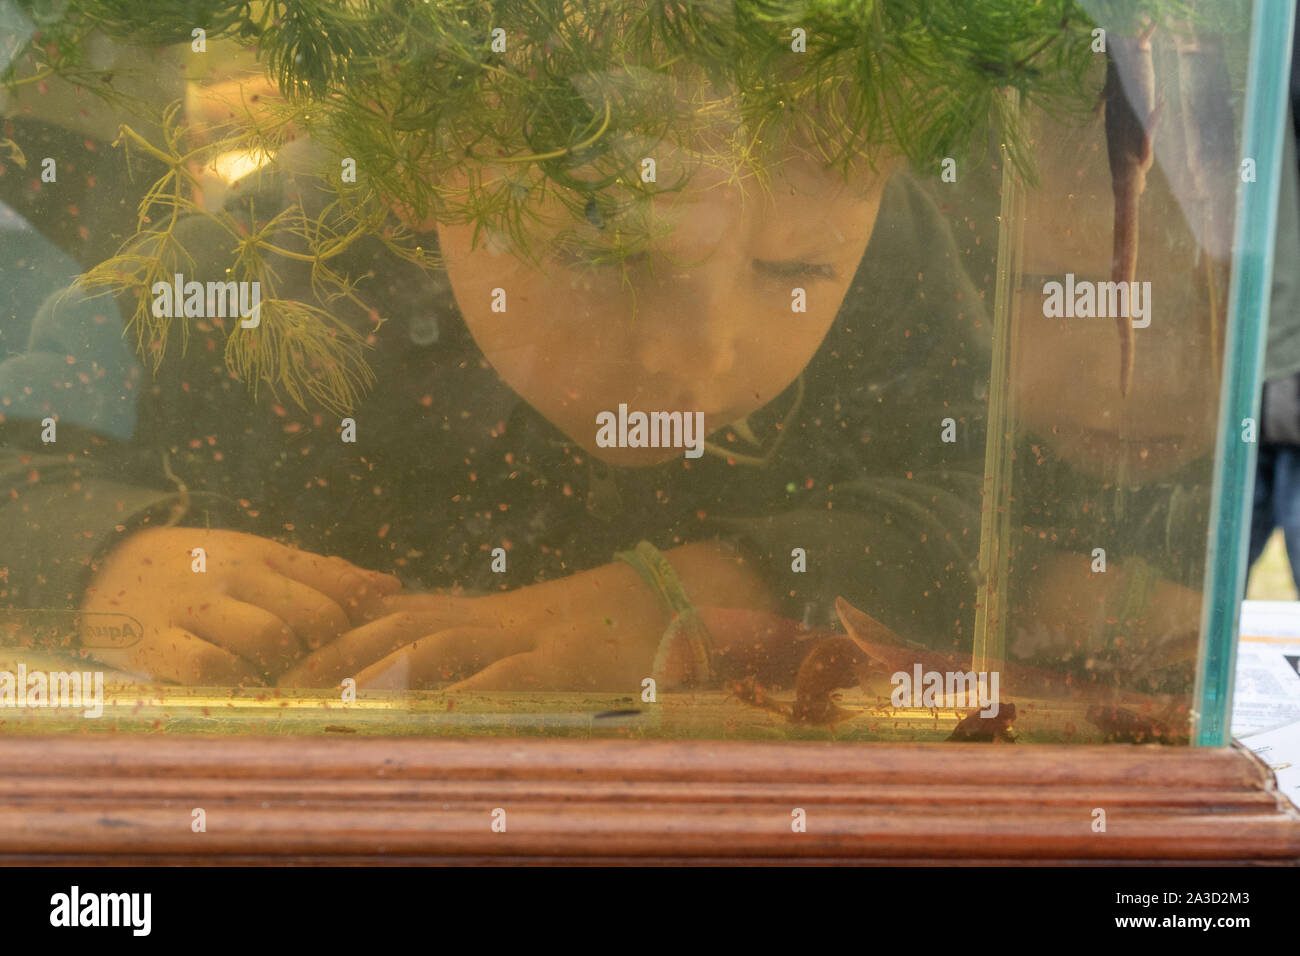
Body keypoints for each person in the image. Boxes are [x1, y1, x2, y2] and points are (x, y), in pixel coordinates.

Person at [0, 4, 1236, 726]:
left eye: (794, 271)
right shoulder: (267, 253)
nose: (696, 358)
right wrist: (115, 554)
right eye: (613, 254)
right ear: (431, 174)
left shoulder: (901, 249)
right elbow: (24, 458)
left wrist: (693, 597)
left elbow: (979, 504)